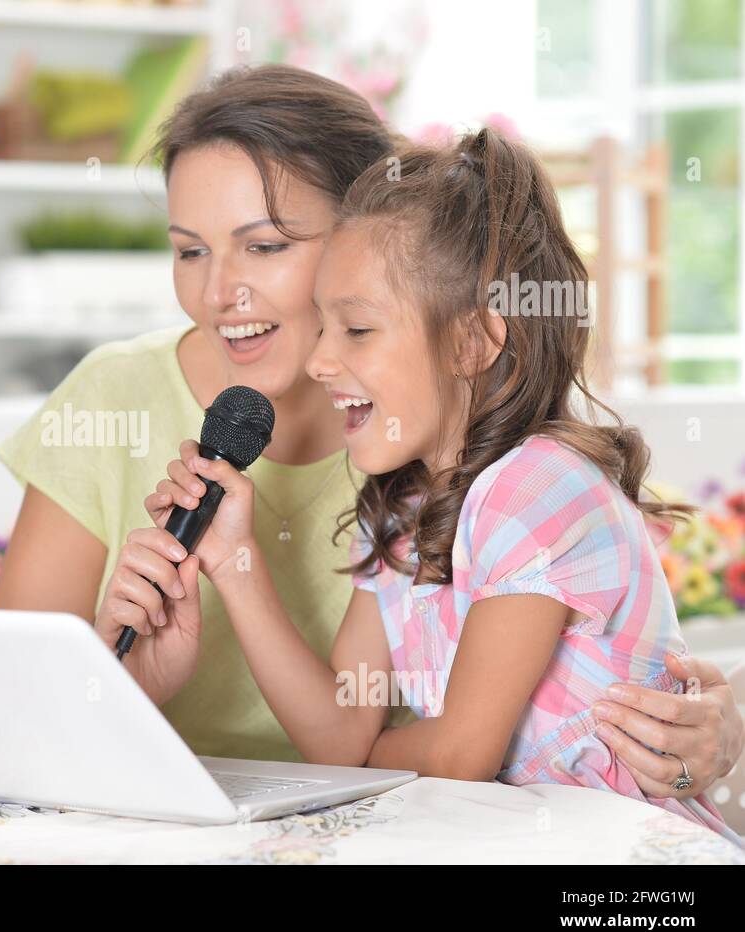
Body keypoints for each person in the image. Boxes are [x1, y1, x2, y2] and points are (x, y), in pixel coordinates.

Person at [0, 65, 744, 800]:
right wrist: (136, 656)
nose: (220, 292)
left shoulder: (490, 470)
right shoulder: (397, 499)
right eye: (190, 249)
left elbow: (457, 750)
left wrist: (716, 736)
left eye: (265, 244)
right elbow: (7, 719)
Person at [147, 126, 739, 841]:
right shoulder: (403, 512)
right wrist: (233, 560)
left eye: (356, 330)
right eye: (324, 328)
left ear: (471, 342)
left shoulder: (537, 485)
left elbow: (460, 752)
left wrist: (373, 758)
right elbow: (337, 735)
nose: (320, 361)